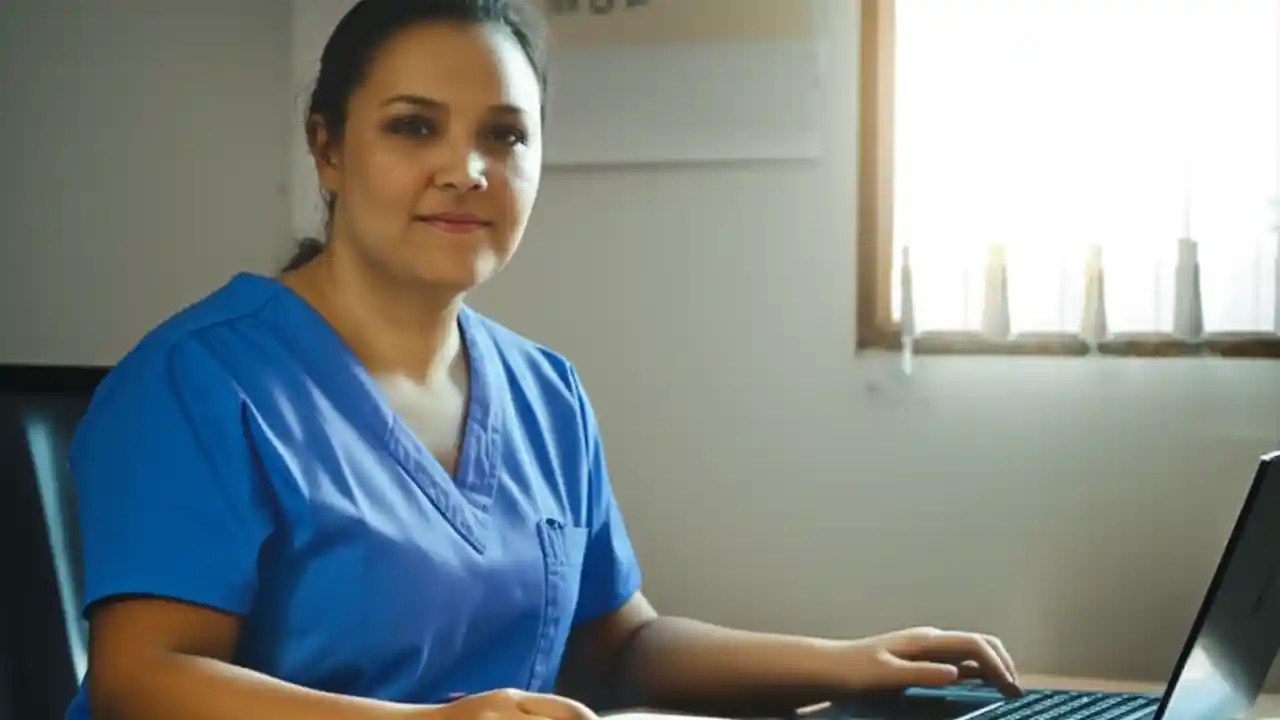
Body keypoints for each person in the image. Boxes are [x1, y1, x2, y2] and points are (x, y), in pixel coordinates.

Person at [66, 1, 1023, 718]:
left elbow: (623, 645)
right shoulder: (199, 381)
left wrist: (849, 663)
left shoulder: (543, 391)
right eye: (413, 126)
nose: (466, 169)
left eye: (504, 135)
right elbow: (140, 679)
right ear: (326, 148)